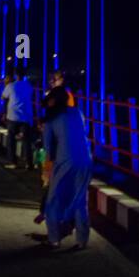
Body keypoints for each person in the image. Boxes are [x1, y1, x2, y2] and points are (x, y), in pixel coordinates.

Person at [42, 85, 94, 249]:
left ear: (53, 101)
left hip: (65, 161)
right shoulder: (78, 112)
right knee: (80, 200)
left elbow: (48, 149)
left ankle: (54, 239)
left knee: (53, 200)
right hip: (86, 160)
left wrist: (47, 169)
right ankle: (81, 241)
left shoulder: (51, 119)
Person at [1, 68, 34, 169]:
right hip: (26, 116)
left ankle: (13, 162)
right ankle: (29, 163)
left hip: (13, 116)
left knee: (11, 140)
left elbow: (4, 98)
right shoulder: (29, 86)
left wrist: (4, 113)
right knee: (27, 141)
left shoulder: (10, 86)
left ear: (15, 75)